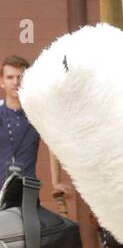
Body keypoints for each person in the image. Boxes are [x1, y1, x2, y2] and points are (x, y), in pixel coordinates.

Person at [1, 54, 72, 202]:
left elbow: (53, 144)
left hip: (28, 194)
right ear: (2, 82)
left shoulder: (38, 112)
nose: (16, 82)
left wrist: (56, 182)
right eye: (10, 77)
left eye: (20, 77)